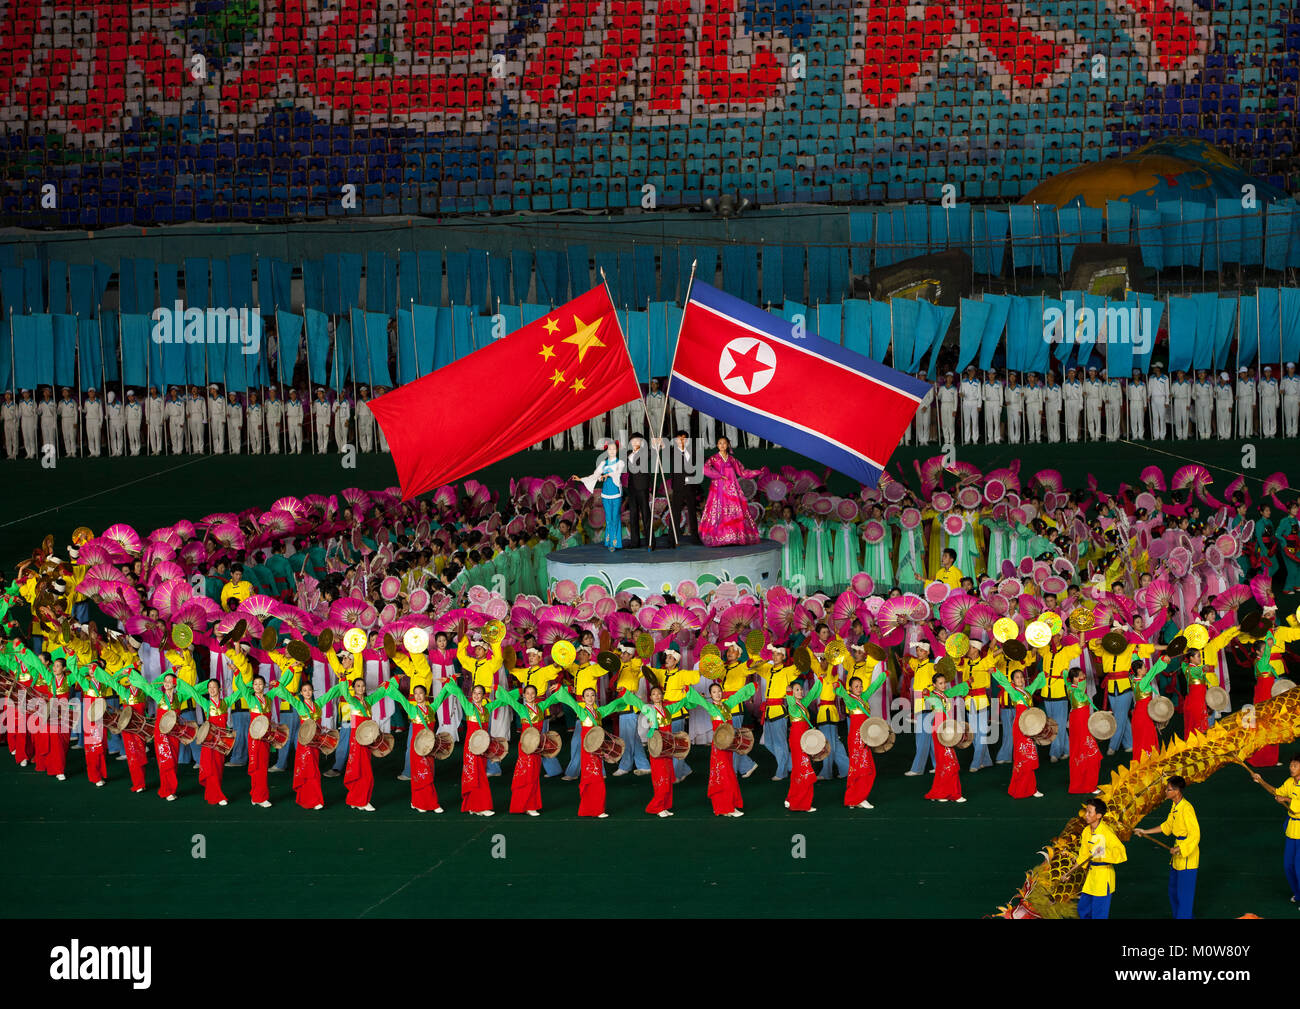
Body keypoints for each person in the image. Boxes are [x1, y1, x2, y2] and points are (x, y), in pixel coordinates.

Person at [548, 685, 625, 817]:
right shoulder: (582, 711)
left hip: (598, 750)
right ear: (583, 698)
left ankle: (598, 809)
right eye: (587, 695)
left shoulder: (599, 712)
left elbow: (615, 704)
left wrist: (624, 693)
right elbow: (569, 700)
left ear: (596, 697)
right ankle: (590, 809)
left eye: (592, 695)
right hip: (588, 751)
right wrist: (559, 688)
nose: (590, 697)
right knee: (591, 779)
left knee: (599, 779)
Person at [1135, 775, 1200, 919]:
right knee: (1173, 891)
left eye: (1168, 790)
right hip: (1178, 856)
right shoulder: (1175, 806)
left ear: (1177, 791)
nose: (1166, 792)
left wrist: (1180, 849)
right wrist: (1145, 831)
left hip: (1187, 858)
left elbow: (1195, 835)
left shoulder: (1186, 809)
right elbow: (1167, 826)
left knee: (1184, 896)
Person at [497, 683, 564, 815]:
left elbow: (554, 698)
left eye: (533, 693)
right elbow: (508, 698)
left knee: (533, 774)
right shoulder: (521, 708)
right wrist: (496, 688)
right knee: (525, 774)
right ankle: (523, 805)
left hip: (537, 746)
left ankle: (531, 805)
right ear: (524, 695)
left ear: (536, 694)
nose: (530, 696)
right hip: (526, 746)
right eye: (527, 693)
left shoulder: (541, 706)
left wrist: (561, 688)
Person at [691, 680, 755, 817]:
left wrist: (752, 686)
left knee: (726, 774)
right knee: (724, 775)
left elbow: (739, 695)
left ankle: (723, 807)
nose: (717, 694)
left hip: (729, 746)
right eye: (714, 692)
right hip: (718, 746)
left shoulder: (728, 705)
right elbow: (695, 698)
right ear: (710, 695)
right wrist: (689, 691)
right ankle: (726, 808)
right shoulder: (710, 707)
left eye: (719, 691)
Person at [379, 681, 445, 813]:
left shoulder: (432, 708)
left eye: (421, 693)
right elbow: (400, 698)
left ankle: (420, 802)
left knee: (429, 774)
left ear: (425, 695)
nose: (418, 696)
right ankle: (424, 803)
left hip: (429, 748)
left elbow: (442, 696)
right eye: (416, 694)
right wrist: (388, 687)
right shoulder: (412, 709)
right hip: (418, 749)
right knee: (420, 776)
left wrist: (450, 682)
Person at [442, 679, 504, 815]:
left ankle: (474, 806)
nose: (476, 695)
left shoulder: (488, 709)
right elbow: (458, 693)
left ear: (484, 696)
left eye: (479, 693)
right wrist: (449, 681)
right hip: (471, 748)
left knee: (480, 774)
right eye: (474, 693)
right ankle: (479, 807)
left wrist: (501, 689)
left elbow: (504, 700)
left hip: (483, 747)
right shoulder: (469, 707)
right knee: (475, 775)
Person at [1247, 753, 1300, 904]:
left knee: (1299, 868)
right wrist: (1260, 780)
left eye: (1295, 765)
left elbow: (1297, 806)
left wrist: (1286, 799)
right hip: (1292, 830)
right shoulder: (1290, 782)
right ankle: (1298, 893)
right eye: (1291, 765)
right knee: (1288, 865)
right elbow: (1276, 792)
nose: (1291, 768)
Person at [992, 666, 1047, 799]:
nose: (1020, 679)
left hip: (1030, 727)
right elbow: (1004, 682)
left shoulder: (1028, 691)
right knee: (1022, 757)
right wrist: (995, 672)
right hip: (1020, 728)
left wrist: (1044, 673)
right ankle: (1019, 788)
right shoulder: (1013, 691)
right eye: (1017, 677)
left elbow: (1036, 683)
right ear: (1013, 681)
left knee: (1030, 756)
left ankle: (1032, 788)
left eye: (1022, 677)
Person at [271, 679, 326, 810]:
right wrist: (279, 686)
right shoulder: (300, 705)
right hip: (305, 743)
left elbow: (331, 693)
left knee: (315, 769)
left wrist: (343, 681)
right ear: (301, 693)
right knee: (308, 769)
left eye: (309, 690)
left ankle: (312, 798)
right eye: (305, 690)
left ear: (313, 692)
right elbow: (288, 696)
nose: (307, 692)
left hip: (315, 742)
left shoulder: (318, 704)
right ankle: (312, 799)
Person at [836, 669, 886, 809]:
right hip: (857, 738)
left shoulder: (864, 697)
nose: (859, 688)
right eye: (856, 686)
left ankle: (855, 798)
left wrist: (883, 675)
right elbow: (842, 694)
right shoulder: (850, 700)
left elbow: (874, 686)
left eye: (860, 686)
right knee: (862, 768)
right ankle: (857, 798)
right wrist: (838, 687)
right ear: (851, 688)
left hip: (865, 737)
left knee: (865, 767)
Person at [698, 436, 761, 546]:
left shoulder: (732, 459)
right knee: (719, 510)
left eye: (724, 443)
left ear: (728, 445)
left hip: (732, 489)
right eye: (720, 443)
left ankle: (735, 537)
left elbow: (743, 472)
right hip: (719, 489)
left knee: (734, 511)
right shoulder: (714, 458)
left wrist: (757, 472)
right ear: (717, 445)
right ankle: (719, 537)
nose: (722, 445)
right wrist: (719, 475)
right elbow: (704, 469)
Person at [1075, 797, 1127, 919]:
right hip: (1091, 877)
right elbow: (1083, 855)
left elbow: (1121, 852)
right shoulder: (1086, 831)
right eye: (1086, 811)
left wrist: (1104, 853)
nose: (1086, 815)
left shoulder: (1106, 832)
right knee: (1083, 909)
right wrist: (1070, 871)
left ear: (1098, 815)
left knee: (1099, 914)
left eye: (1089, 812)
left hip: (1103, 879)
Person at [923, 671, 969, 802]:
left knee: (947, 762)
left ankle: (943, 793)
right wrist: (926, 694)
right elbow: (932, 700)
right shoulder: (933, 696)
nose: (944, 685)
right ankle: (947, 793)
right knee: (947, 761)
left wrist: (967, 683)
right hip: (939, 731)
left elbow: (955, 690)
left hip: (947, 730)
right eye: (940, 683)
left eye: (944, 683)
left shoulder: (944, 694)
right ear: (934, 685)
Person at [575, 440, 625, 551]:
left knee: (615, 517)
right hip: (606, 494)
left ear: (617, 450)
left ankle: (615, 542)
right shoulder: (603, 463)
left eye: (614, 449)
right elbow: (595, 475)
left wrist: (607, 474)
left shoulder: (620, 463)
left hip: (616, 494)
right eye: (609, 449)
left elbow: (617, 473)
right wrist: (581, 479)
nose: (611, 451)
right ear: (607, 450)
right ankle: (609, 541)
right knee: (608, 519)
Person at [784, 674, 820, 813]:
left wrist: (820, 680)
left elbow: (812, 694)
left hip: (804, 739)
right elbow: (790, 700)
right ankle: (800, 804)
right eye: (797, 690)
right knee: (804, 769)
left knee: (798, 770)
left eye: (800, 689)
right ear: (792, 692)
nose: (800, 691)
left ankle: (792, 798)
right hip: (797, 740)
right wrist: (788, 693)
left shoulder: (803, 704)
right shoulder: (793, 706)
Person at [1066, 667, 1102, 794]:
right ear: (1073, 679)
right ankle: (1083, 785)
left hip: (1084, 726)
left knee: (1090, 755)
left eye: (1082, 675)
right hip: (1079, 727)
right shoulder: (1074, 690)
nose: (1082, 677)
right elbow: (1079, 686)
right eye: (1078, 676)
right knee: (1086, 754)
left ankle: (1089, 784)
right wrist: (1079, 679)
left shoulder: (1076, 689)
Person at [666, 430, 701, 543]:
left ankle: (695, 537)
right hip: (678, 487)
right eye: (679, 438)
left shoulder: (693, 452)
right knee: (675, 512)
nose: (682, 441)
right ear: (676, 440)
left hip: (690, 486)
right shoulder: (672, 452)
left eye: (684, 438)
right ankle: (672, 538)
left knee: (692, 512)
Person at [624, 433, 653, 548]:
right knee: (633, 516)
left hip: (642, 487)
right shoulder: (627, 454)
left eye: (638, 440)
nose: (635, 442)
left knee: (646, 514)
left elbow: (653, 453)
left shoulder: (645, 452)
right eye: (633, 440)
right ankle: (635, 542)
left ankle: (650, 541)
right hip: (632, 488)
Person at [960, 366, 982, 443]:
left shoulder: (978, 382)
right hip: (966, 402)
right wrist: (961, 394)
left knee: (975, 421)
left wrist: (979, 405)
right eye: (971, 371)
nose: (972, 372)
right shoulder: (963, 382)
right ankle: (967, 439)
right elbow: (960, 392)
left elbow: (979, 394)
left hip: (975, 402)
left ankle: (975, 439)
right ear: (968, 372)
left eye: (973, 371)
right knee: (967, 422)